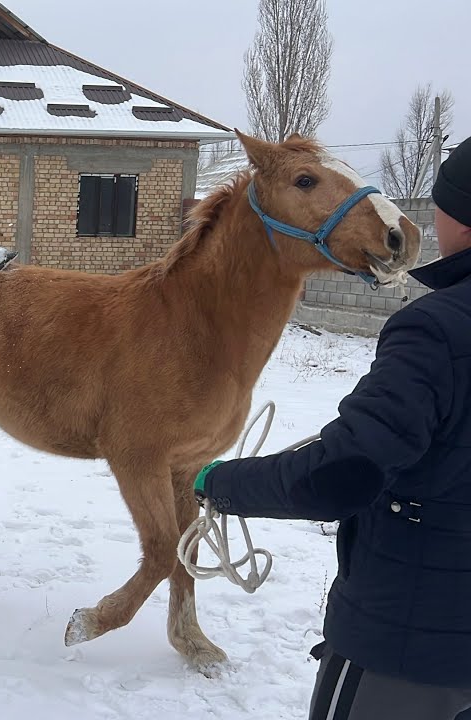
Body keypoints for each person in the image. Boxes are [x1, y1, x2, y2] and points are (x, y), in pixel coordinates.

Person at [194, 137, 471, 720]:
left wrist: (220, 483)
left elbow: (343, 476)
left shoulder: (438, 331)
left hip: (413, 646)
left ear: (457, 215)